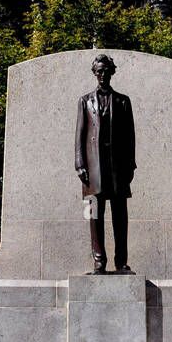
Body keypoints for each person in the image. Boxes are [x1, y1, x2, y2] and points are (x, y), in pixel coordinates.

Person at [74, 54, 136, 274]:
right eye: (98, 71)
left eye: (106, 71)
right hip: (92, 169)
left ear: (112, 72)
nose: (102, 75)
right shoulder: (84, 100)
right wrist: (79, 164)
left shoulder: (123, 101)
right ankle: (99, 262)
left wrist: (131, 166)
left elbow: (130, 136)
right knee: (93, 216)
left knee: (120, 217)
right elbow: (80, 134)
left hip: (118, 168)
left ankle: (121, 262)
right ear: (94, 73)